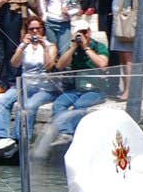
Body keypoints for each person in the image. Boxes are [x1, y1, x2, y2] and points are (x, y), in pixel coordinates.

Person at [0, 15, 58, 157]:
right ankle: (3, 138)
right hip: (24, 84)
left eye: (37, 29)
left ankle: (20, 140)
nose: (35, 32)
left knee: (28, 106)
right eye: (31, 29)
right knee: (3, 102)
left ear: (43, 30)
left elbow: (49, 65)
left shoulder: (51, 46)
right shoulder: (24, 46)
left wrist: (44, 46)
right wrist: (23, 46)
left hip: (44, 88)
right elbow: (14, 63)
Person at [46, 14, 111, 145]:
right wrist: (74, 47)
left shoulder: (99, 47)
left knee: (80, 105)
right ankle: (66, 132)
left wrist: (86, 48)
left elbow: (103, 65)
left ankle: (72, 132)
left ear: (89, 32)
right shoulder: (72, 48)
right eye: (79, 33)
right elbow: (60, 65)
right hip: (77, 89)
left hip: (96, 89)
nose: (83, 35)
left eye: (84, 32)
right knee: (59, 104)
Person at [100, 0, 141, 94]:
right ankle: (125, 87)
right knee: (122, 56)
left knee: (129, 55)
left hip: (129, 17)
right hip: (117, 17)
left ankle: (129, 90)